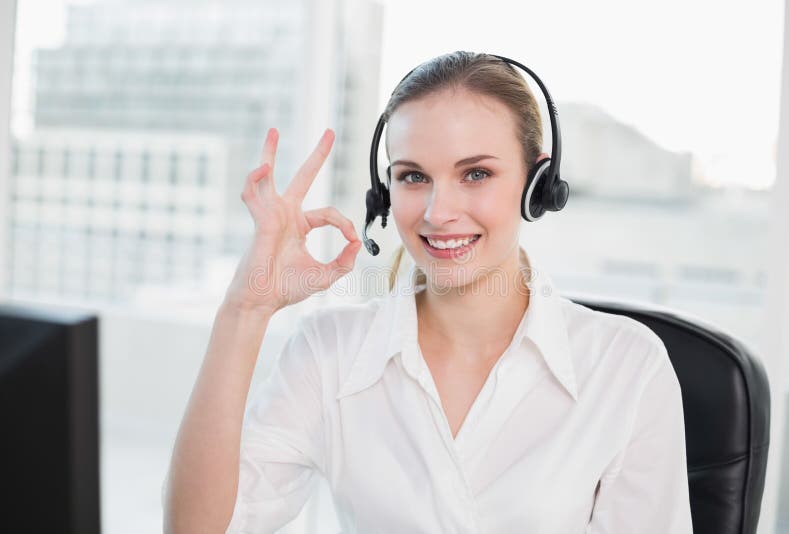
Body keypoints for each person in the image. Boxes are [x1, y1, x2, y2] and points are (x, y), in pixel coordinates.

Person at [162, 51, 693, 533]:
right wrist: (245, 310)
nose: (438, 213)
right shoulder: (329, 354)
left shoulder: (627, 367)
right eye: (413, 177)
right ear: (384, 193)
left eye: (476, 173)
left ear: (537, 184)